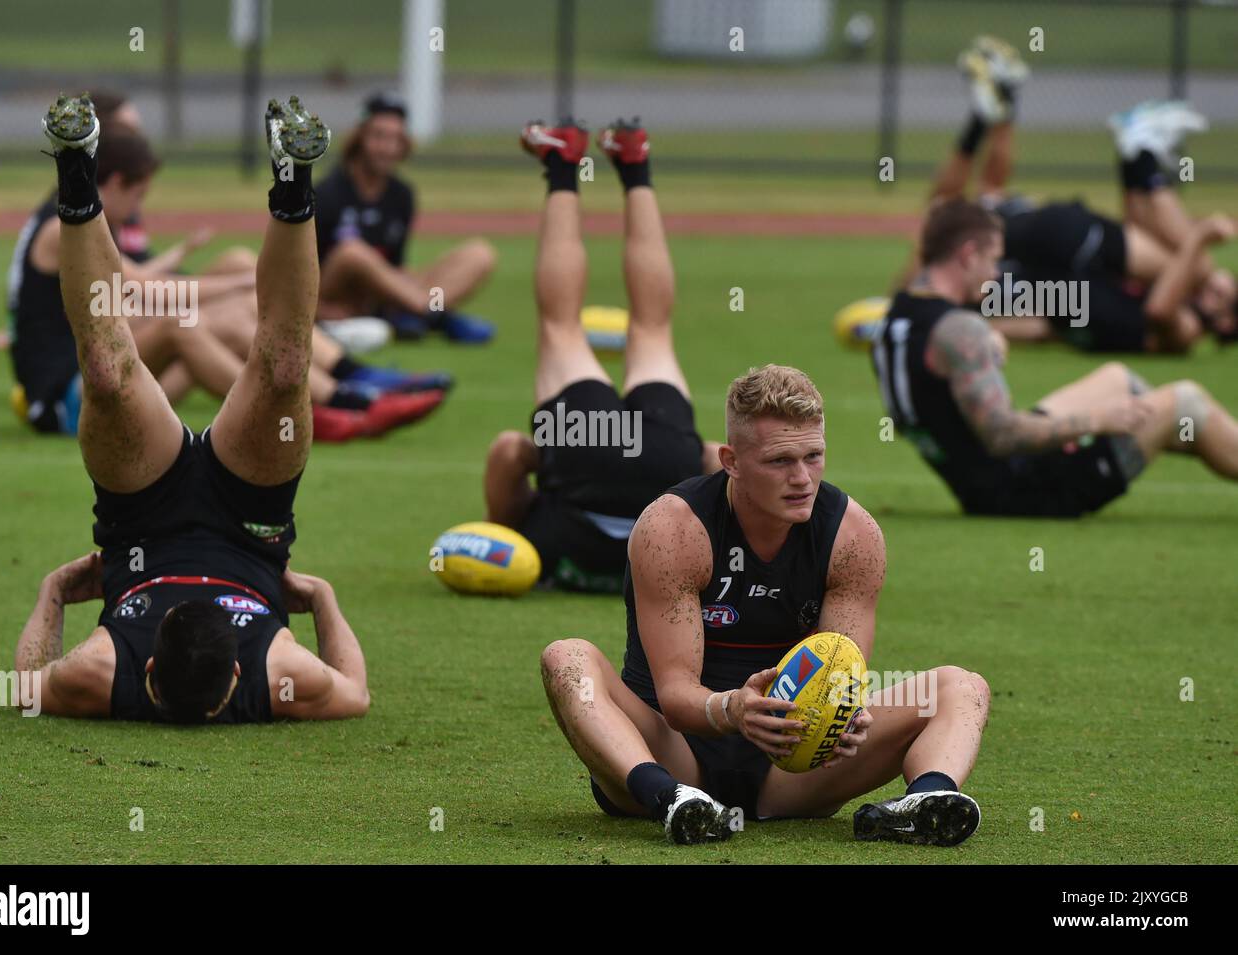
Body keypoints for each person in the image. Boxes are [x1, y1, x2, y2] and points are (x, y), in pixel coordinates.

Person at [13, 94, 378, 722]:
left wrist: (52, 593)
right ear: (241, 667)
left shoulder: (106, 672)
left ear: (147, 665)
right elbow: (356, 693)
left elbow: (24, 690)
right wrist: (322, 601)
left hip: (140, 518)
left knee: (105, 370)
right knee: (286, 368)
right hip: (249, 519)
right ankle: (293, 184)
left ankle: (77, 177)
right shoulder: (279, 674)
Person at [541, 365, 990, 845]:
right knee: (566, 659)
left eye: (813, 457)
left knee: (961, 687)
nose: (802, 479)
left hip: (793, 770)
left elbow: (843, 669)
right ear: (730, 460)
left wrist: (847, 720)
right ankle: (671, 801)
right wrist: (734, 710)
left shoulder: (852, 536)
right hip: (674, 752)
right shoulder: (674, 528)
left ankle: (925, 801)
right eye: (780, 462)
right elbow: (675, 697)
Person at [7, 108, 446, 440]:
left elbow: (133, 290)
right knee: (187, 323)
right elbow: (146, 295)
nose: (139, 207)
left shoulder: (87, 219)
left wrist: (245, 283)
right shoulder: (60, 227)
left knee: (226, 294)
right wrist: (254, 284)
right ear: (116, 182)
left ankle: (347, 386)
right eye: (139, 194)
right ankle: (331, 409)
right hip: (68, 402)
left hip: (104, 378)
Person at [871, 198, 1238, 518]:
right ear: (967, 255)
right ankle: (1189, 429)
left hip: (981, 479)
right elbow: (1002, 436)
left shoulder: (896, 317)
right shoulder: (961, 331)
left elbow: (929, 392)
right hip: (1029, 491)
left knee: (1117, 379)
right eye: (993, 260)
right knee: (1186, 403)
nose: (996, 273)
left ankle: (1189, 432)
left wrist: (984, 346)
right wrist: (1097, 420)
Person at [484, 118, 719, 593]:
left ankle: (634, 163)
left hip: (668, 464)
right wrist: (549, 450)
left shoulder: (536, 549)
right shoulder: (540, 542)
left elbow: (713, 458)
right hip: (589, 446)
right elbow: (511, 452)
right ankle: (565, 160)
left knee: (651, 328)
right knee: (563, 325)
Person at [923, 37, 1236, 353]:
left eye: (1224, 296)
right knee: (966, 212)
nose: (1218, 288)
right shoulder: (1164, 290)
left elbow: (1157, 307)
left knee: (953, 217)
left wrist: (1201, 238)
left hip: (1062, 274)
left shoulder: (1186, 327)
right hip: (1070, 262)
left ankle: (1138, 153)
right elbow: (1139, 236)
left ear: (1226, 323)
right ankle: (1139, 156)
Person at [315, 91, 497, 343]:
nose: (388, 148)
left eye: (395, 139)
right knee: (352, 253)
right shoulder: (326, 193)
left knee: (479, 254)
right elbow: (301, 276)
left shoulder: (402, 195)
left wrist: (404, 285)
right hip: (336, 300)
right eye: (379, 137)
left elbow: (394, 267)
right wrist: (319, 311)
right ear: (360, 137)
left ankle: (414, 313)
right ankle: (436, 316)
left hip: (386, 299)